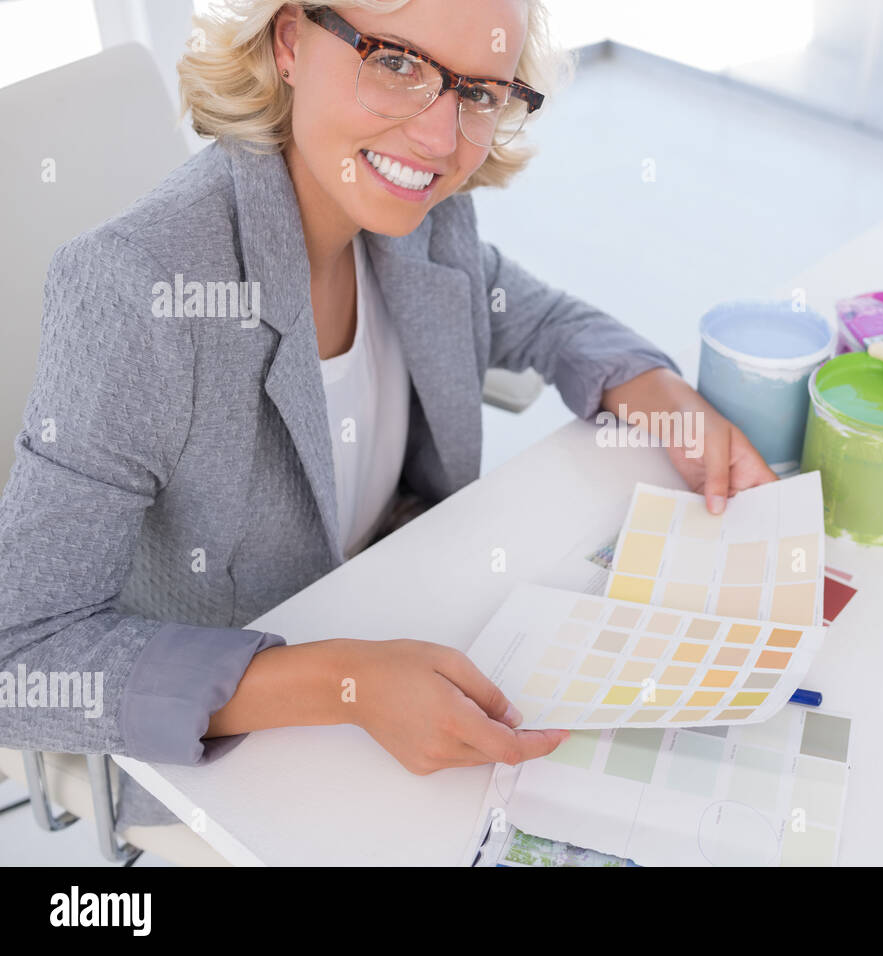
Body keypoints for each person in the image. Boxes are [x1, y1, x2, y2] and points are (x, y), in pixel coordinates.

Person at [0, 0, 775, 834]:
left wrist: (651, 388)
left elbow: (534, 314)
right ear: (290, 40)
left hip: (406, 626)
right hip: (241, 746)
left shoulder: (418, 213)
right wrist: (345, 683)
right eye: (396, 62)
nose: (441, 140)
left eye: (480, 90)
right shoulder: (141, 291)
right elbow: (18, 662)